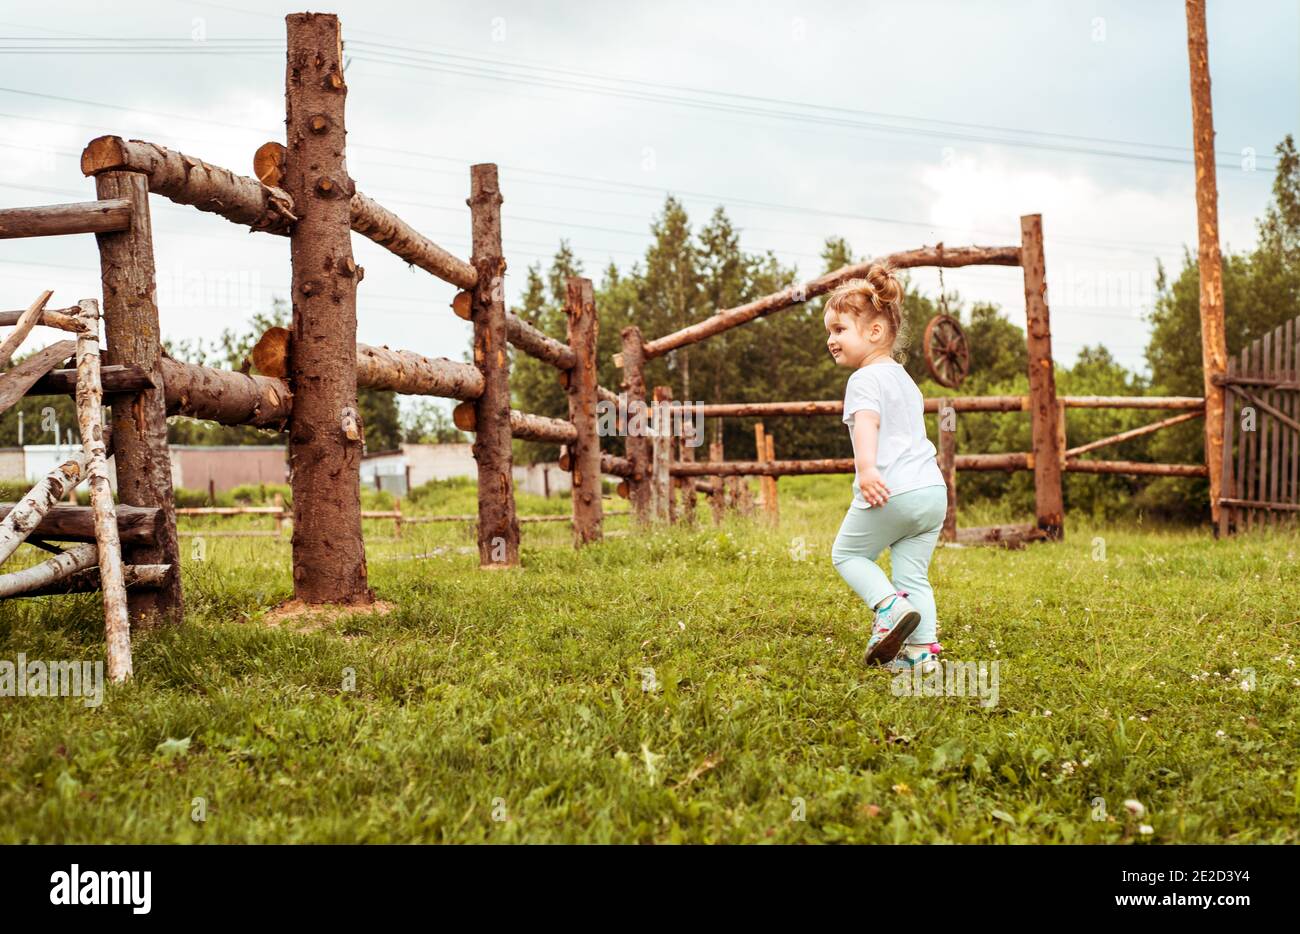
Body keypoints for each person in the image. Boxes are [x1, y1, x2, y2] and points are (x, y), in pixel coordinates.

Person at [824, 264, 948, 672]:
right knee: (913, 575)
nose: (831, 340)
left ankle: (889, 609)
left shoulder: (863, 380)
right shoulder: (906, 381)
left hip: (890, 488)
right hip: (931, 492)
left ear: (874, 332)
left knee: (847, 554)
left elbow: (867, 424)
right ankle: (922, 656)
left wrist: (866, 471)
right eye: (830, 331)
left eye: (840, 329)